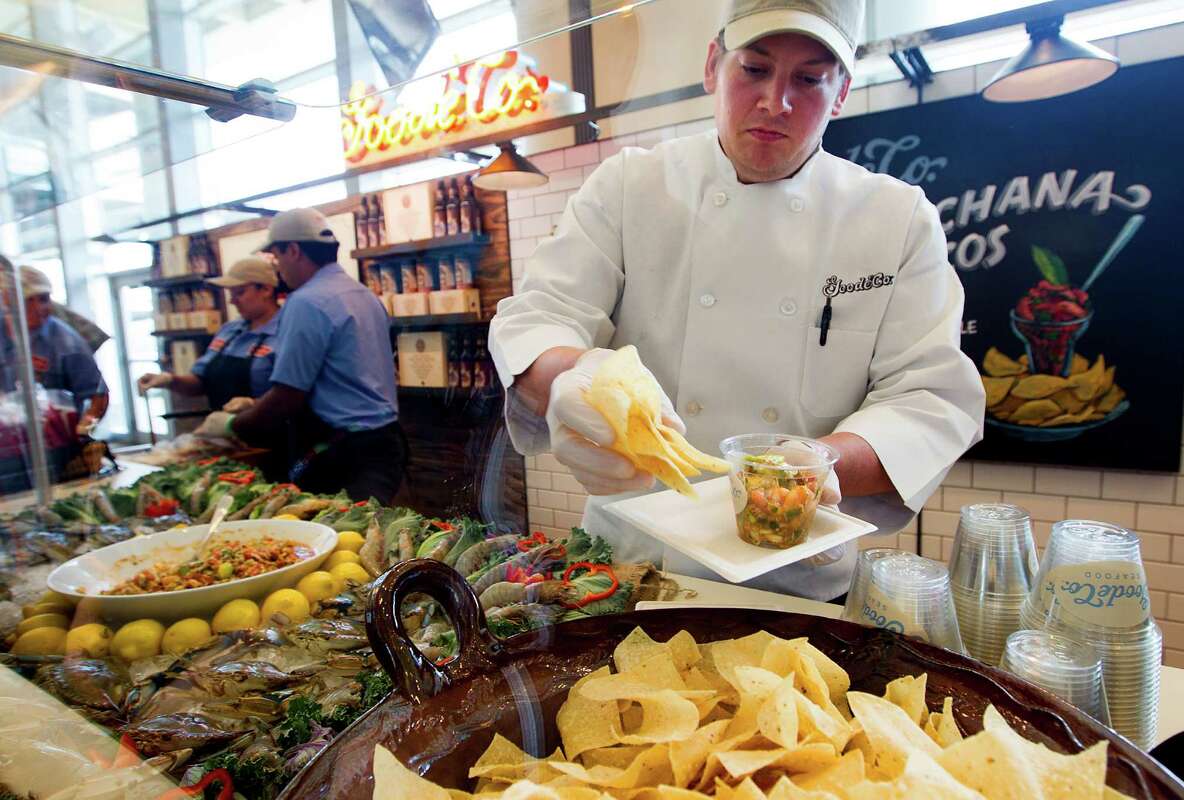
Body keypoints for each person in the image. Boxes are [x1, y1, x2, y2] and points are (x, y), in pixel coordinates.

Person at [488, 0, 986, 601]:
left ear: (842, 91)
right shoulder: (630, 187)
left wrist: (814, 465)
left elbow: (928, 398)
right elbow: (540, 316)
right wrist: (572, 379)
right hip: (627, 567)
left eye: (808, 79)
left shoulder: (896, 218)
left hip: (796, 581)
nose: (776, 101)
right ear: (712, 67)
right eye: (754, 68)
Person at [194, 208, 405, 503]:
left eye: (276, 257)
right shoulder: (364, 295)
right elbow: (343, 378)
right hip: (383, 444)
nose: (277, 266)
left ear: (293, 250)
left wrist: (233, 425)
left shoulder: (306, 302)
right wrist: (255, 403)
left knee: (336, 541)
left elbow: (288, 395)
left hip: (341, 453)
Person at [137, 256, 281, 413]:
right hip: (223, 431)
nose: (232, 301)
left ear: (266, 290)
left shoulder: (287, 333)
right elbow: (200, 383)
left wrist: (254, 405)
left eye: (239, 292)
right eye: (230, 294)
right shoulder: (228, 331)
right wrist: (169, 380)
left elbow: (296, 395)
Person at [0, 264, 108, 436]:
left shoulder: (67, 343)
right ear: (7, 302)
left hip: (54, 442)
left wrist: (83, 431)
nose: (39, 308)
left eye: (44, 299)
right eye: (28, 301)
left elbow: (97, 395)